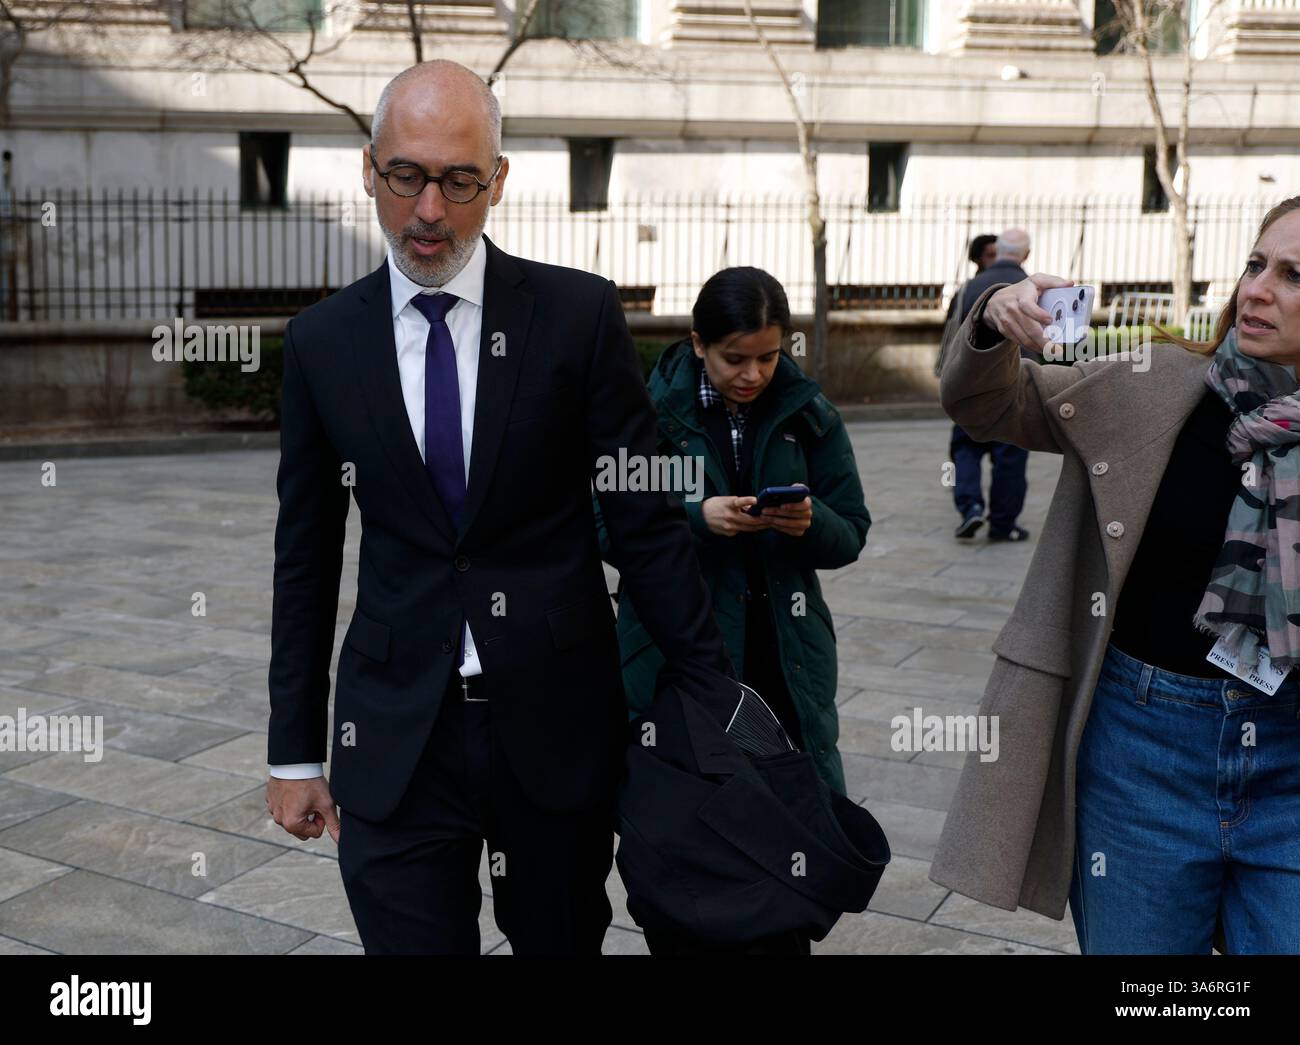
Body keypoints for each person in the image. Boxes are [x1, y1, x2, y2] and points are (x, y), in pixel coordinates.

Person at [264, 60, 736, 955]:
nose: (430, 210)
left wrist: (713, 696)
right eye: (406, 176)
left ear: (499, 181)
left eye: (459, 180)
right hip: (398, 736)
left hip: (555, 726)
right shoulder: (323, 344)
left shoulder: (576, 316)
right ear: (369, 169)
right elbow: (306, 552)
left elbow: (642, 521)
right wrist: (295, 751)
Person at [929, 196, 1300, 954]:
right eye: (1255, 264)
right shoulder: (1155, 383)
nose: (1257, 289)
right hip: (1144, 756)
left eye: (1295, 275)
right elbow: (989, 404)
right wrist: (995, 314)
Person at [592, 267, 870, 954]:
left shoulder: (808, 413)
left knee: (781, 856)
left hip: (782, 668)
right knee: (687, 848)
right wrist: (695, 516)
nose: (752, 374)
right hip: (678, 671)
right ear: (696, 344)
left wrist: (808, 521)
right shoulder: (648, 414)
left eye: (768, 356)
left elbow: (852, 530)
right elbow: (600, 522)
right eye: (734, 358)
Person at [943, 229, 1034, 542]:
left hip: (968, 384)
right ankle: (1003, 524)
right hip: (1016, 385)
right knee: (1010, 456)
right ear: (1026, 253)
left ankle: (970, 507)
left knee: (966, 448)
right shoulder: (1035, 287)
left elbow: (950, 330)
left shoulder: (968, 287)